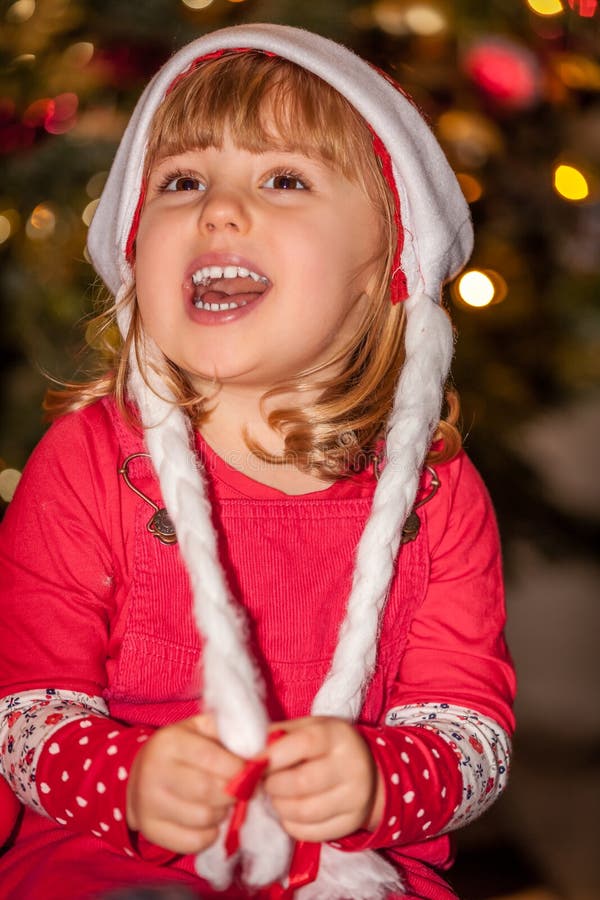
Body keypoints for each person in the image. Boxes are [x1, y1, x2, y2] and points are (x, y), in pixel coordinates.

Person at [0, 23, 515, 900]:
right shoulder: (89, 465)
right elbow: (21, 714)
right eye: (183, 180)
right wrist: (126, 778)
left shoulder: (440, 493)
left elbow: (472, 734)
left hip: (355, 871)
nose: (218, 210)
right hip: (115, 865)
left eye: (284, 179)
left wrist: (380, 778)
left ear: (384, 268)